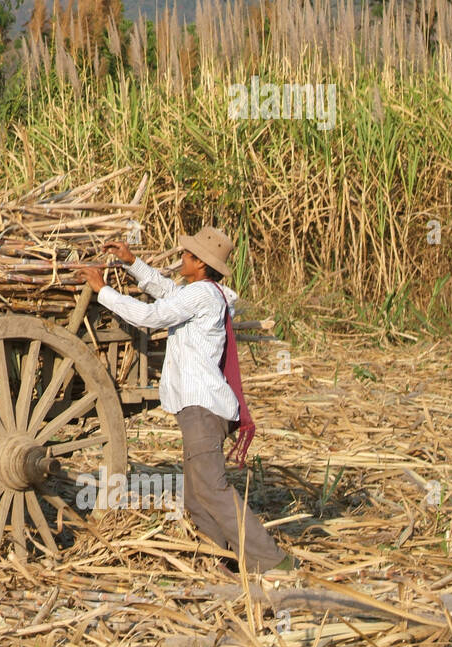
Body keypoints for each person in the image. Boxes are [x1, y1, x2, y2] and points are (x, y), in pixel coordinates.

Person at [76, 226, 293, 577]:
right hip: (200, 410)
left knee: (212, 487)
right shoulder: (204, 294)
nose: (182, 259)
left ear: (201, 264)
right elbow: (168, 294)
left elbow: (150, 316)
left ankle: (272, 561)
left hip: (203, 409)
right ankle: (223, 560)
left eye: (187, 256)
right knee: (196, 496)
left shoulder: (203, 295)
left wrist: (104, 291)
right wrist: (132, 263)